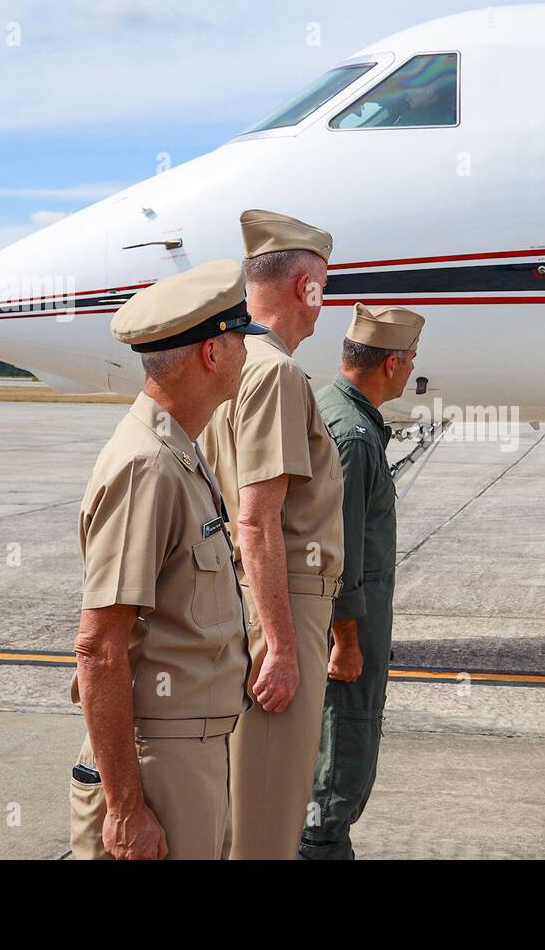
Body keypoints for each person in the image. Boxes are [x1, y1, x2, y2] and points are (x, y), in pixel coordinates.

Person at [69, 259, 260, 859]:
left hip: (190, 750)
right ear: (211, 353)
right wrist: (126, 807)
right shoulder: (147, 467)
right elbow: (98, 647)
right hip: (159, 759)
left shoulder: (180, 451)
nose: (247, 355)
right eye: (239, 341)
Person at [199, 208, 345, 860]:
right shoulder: (277, 373)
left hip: (243, 598)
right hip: (282, 603)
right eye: (324, 285)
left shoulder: (233, 363)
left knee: (237, 808)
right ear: (304, 286)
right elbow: (257, 518)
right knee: (266, 819)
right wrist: (282, 646)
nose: (324, 301)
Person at [301, 302, 425, 860]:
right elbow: (339, 553)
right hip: (349, 619)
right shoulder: (351, 435)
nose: (412, 368)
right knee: (344, 740)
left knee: (333, 737)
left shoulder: (331, 408)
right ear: (393, 363)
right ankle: (321, 844)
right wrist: (347, 642)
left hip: (337, 613)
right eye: (412, 358)